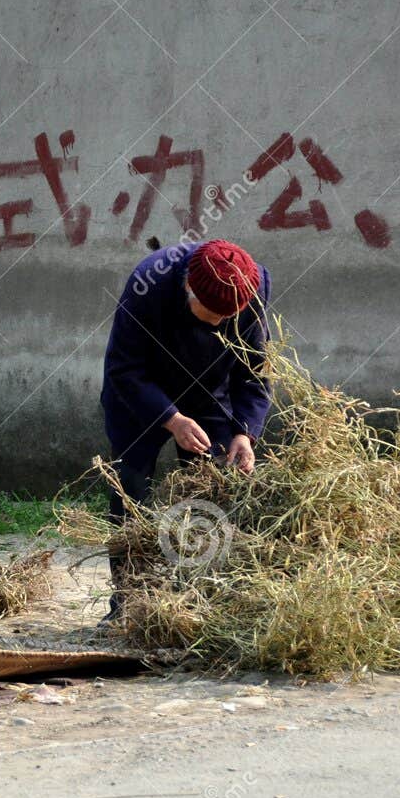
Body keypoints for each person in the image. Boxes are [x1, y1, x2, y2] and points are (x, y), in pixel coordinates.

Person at [99, 238, 271, 616]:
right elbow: (123, 370)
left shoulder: (251, 285)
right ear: (187, 288)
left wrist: (245, 431)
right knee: (130, 490)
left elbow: (254, 370)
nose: (222, 323)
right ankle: (130, 601)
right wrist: (171, 418)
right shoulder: (148, 283)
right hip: (142, 391)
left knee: (212, 491)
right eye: (211, 313)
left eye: (229, 317)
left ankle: (201, 599)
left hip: (209, 392)